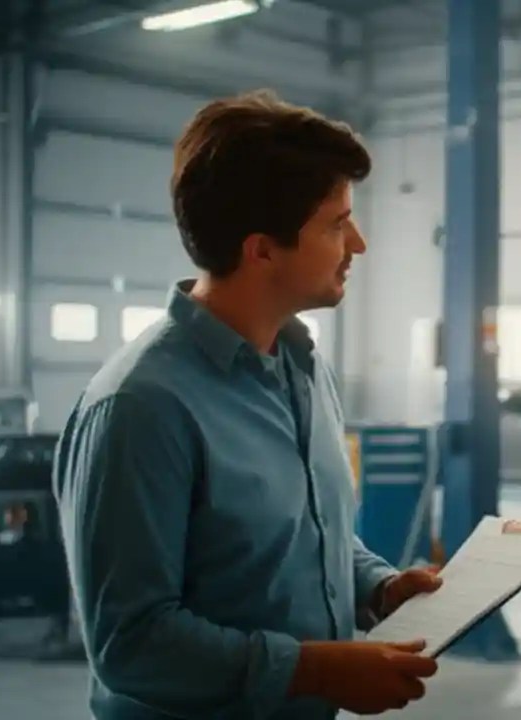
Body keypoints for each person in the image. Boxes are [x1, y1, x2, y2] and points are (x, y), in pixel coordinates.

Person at [53, 91, 441, 719]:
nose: (359, 244)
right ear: (261, 249)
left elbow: (306, 540)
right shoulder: (141, 407)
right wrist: (314, 669)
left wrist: (380, 587)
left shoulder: (304, 367)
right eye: (337, 224)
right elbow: (130, 643)